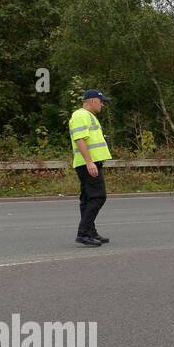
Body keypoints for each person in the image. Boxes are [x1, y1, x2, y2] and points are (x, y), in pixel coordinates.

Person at [70, 89, 113, 246]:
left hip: (90, 163)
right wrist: (89, 162)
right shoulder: (81, 115)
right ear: (93, 101)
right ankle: (83, 233)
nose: (102, 104)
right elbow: (79, 139)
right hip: (88, 164)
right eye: (101, 101)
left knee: (87, 199)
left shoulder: (88, 116)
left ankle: (90, 232)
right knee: (98, 197)